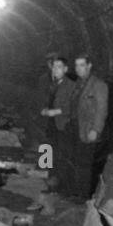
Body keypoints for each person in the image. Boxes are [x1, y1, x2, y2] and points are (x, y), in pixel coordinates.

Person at [71, 55, 108, 199]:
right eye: (76, 65)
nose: (78, 69)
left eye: (81, 65)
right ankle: (77, 191)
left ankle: (84, 195)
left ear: (89, 66)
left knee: (86, 164)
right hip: (77, 128)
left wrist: (96, 130)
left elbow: (102, 109)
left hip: (89, 130)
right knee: (78, 161)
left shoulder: (99, 85)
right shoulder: (79, 84)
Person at [40, 55, 76, 195]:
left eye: (59, 67)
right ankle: (50, 182)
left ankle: (61, 188)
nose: (55, 70)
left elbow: (74, 107)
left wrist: (56, 111)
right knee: (49, 151)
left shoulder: (71, 86)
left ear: (66, 69)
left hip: (63, 126)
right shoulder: (54, 84)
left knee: (61, 156)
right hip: (52, 125)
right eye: (54, 67)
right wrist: (45, 110)